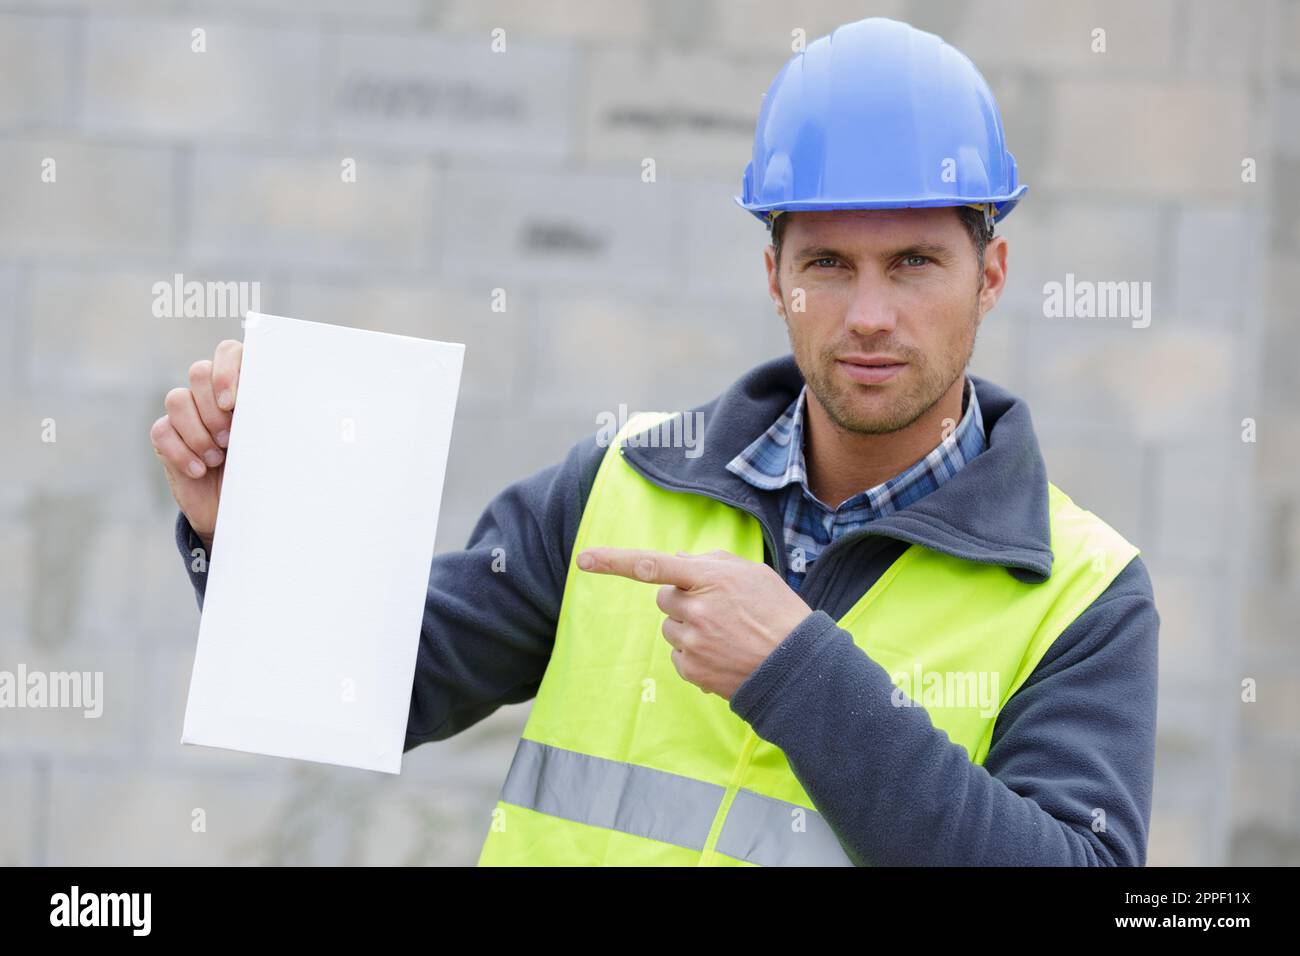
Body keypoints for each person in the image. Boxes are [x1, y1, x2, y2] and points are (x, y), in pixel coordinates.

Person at [151, 17, 1158, 866]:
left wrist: (801, 673)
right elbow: (374, 690)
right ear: (774, 278)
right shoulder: (620, 478)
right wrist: (252, 530)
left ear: (990, 275)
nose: (866, 315)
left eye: (912, 263)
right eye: (825, 264)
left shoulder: (1079, 593)